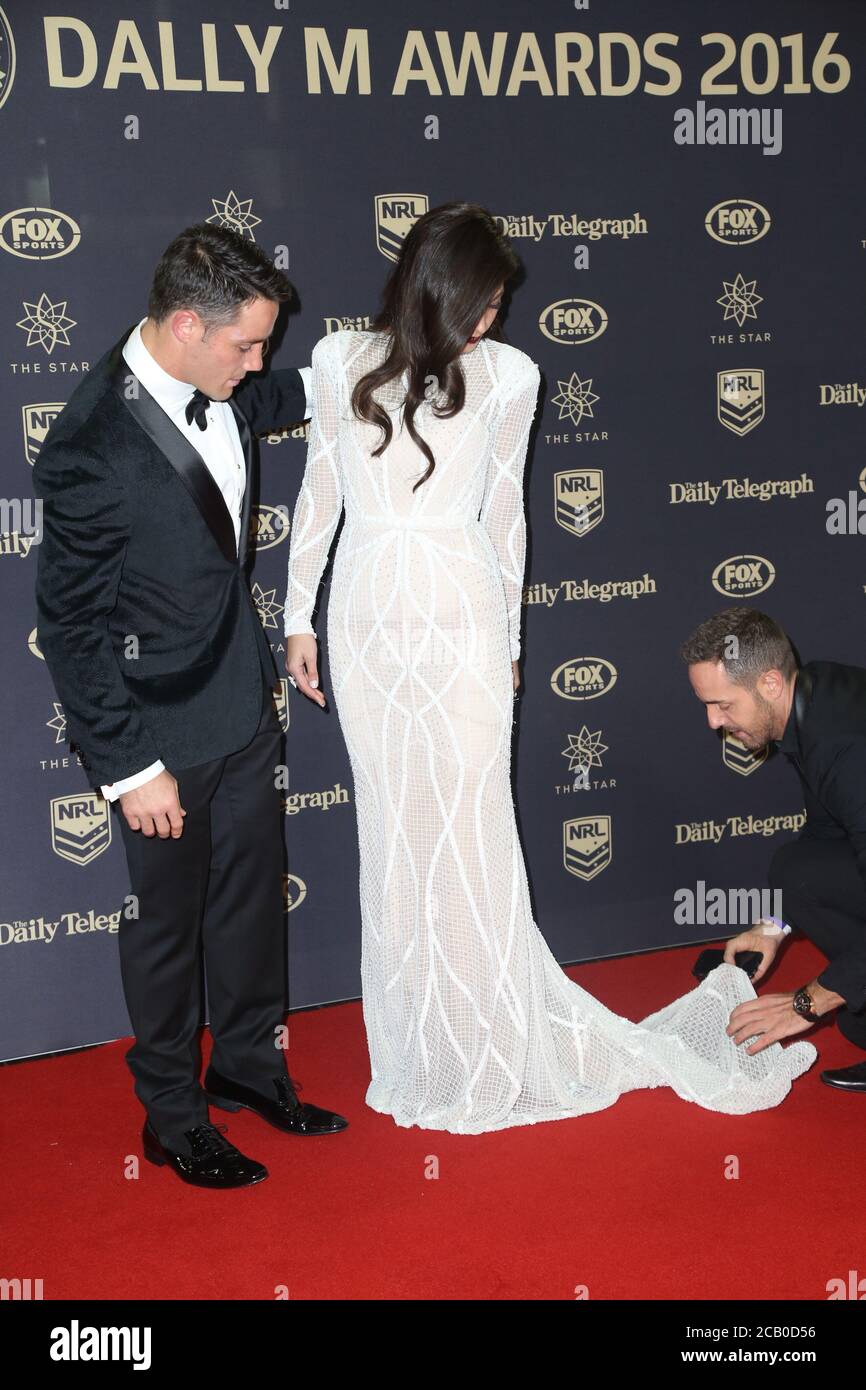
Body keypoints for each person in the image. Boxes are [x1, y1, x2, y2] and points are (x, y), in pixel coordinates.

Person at [283, 201, 816, 1134]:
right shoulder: (338, 361)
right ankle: (423, 1047)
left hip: (466, 624)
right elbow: (320, 491)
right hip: (368, 624)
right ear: (437, 288)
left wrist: (515, 645)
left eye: (496, 306)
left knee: (473, 840)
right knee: (398, 845)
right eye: (483, 302)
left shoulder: (512, 375)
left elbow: (508, 518)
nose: (491, 321)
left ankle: (493, 1045)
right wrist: (296, 617)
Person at [33, 223, 348, 1190]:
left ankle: (251, 1070)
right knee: (166, 933)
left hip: (244, 704)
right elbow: (73, 629)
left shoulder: (223, 382)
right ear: (182, 324)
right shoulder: (93, 446)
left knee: (252, 908)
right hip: (160, 737)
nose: (260, 365)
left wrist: (395, 355)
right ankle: (171, 1117)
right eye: (245, 346)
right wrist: (130, 768)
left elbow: (285, 395)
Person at [682, 606, 866, 1093]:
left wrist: (806, 1003)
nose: (712, 721)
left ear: (767, 684)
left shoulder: (847, 748)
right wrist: (772, 928)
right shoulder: (812, 701)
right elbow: (827, 839)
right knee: (796, 870)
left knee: (850, 1012)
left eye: (723, 704)